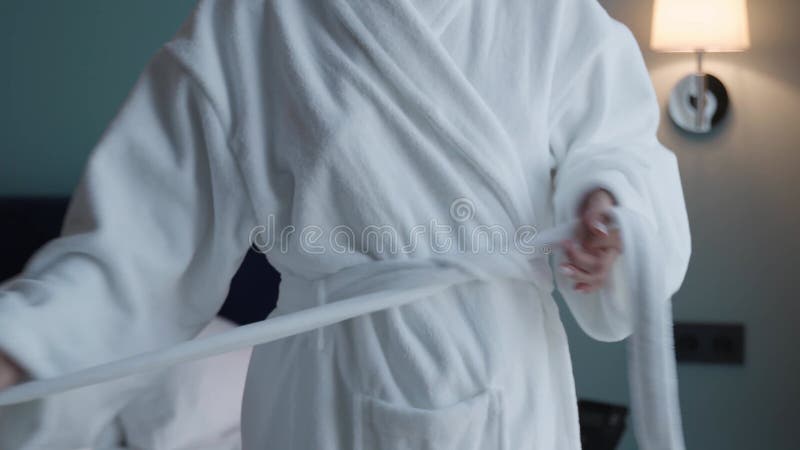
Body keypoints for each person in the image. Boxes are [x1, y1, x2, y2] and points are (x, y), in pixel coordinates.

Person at [0, 0, 691, 448]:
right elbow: (139, 252)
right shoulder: (255, 23)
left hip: (515, 395)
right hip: (325, 400)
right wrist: (21, 348)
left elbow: (621, 149)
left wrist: (609, 205)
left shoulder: (555, 17)